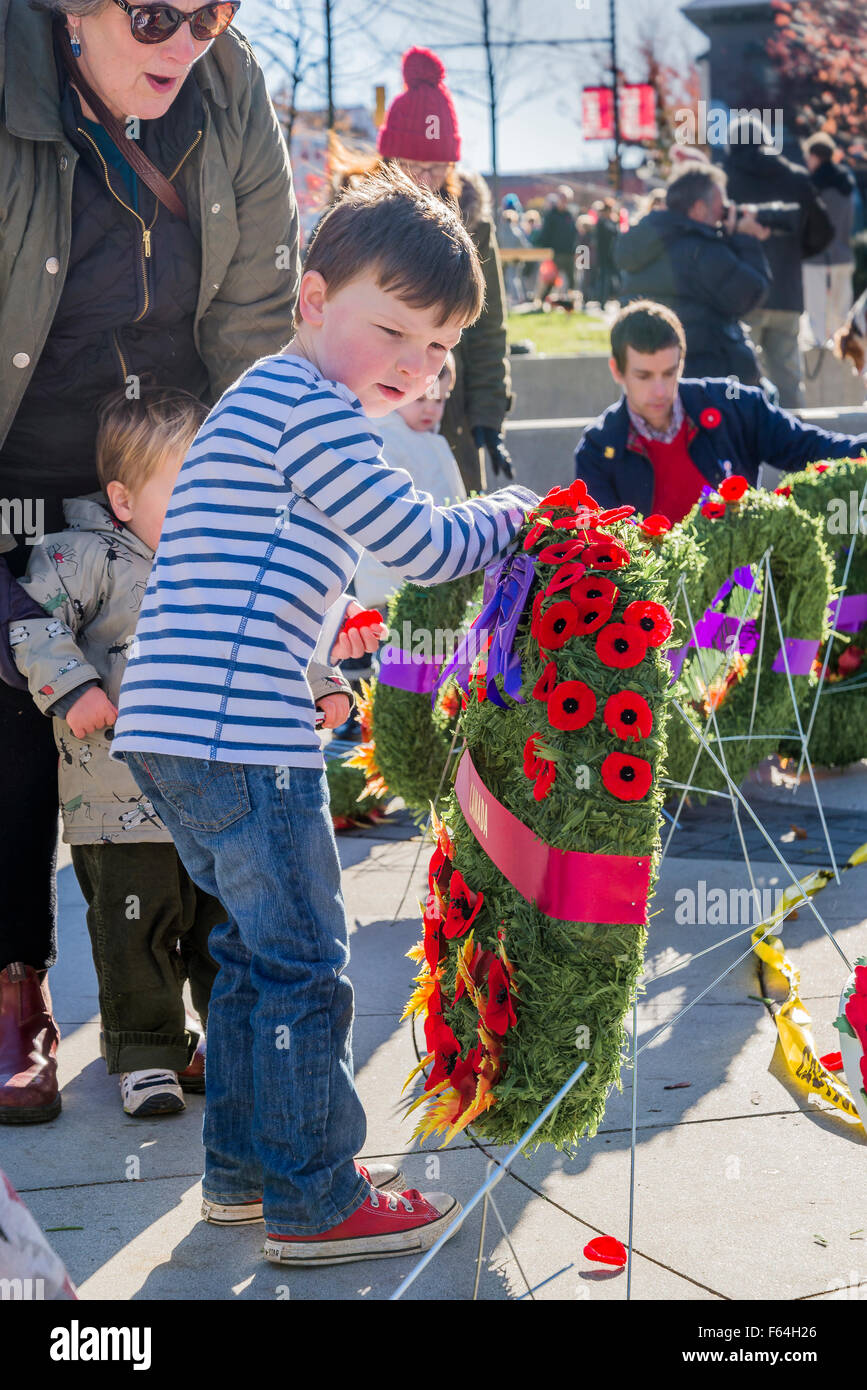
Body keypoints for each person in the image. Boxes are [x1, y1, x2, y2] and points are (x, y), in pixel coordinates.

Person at [110, 169, 538, 1265]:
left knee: (258, 956)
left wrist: (324, 627)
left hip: (178, 726)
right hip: (238, 734)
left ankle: (247, 1175)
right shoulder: (310, 404)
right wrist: (517, 512)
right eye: (392, 328)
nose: (414, 364)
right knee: (307, 961)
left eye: (438, 348)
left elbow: (253, 564)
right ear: (311, 299)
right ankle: (318, 1195)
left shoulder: (265, 399)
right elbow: (425, 544)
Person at [0, 0, 301, 1125]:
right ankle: (12, 983)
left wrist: (247, 515)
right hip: (14, 462)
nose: (188, 43)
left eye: (213, 12)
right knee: (13, 702)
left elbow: (257, 322)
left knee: (202, 701)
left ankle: (226, 988)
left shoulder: (230, 88)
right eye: (157, 15)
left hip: (166, 467)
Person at [9, 387, 358, 1119]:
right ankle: (144, 1052)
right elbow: (34, 629)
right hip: (115, 798)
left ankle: (227, 1048)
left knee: (217, 928)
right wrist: (74, 688)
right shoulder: (81, 559)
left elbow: (278, 632)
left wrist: (322, 685)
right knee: (133, 929)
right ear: (124, 498)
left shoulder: (228, 562)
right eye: (187, 490)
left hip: (213, 794)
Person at [329, 46, 514, 495]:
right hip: (371, 395)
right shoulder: (360, 220)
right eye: (413, 165)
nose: (425, 178)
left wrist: (489, 416)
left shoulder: (472, 224)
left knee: (456, 521)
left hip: (446, 406)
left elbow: (489, 328)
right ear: (390, 158)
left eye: (437, 167)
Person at [574, 299, 867, 517]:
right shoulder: (598, 447)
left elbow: (813, 449)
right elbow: (607, 547)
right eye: (644, 376)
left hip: (744, 587)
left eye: (669, 372)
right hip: (654, 597)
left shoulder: (736, 404)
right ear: (617, 370)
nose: (660, 390)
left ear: (682, 362)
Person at [615, 162, 772, 384]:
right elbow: (750, 294)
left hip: (658, 377)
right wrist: (746, 239)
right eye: (721, 206)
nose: (725, 213)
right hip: (711, 381)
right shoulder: (703, 249)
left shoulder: (645, 242)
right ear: (698, 208)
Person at [726, 114, 834, 407]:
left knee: (741, 380)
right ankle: (794, 448)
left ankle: (747, 448)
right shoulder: (796, 178)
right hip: (787, 292)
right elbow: (824, 231)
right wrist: (797, 252)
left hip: (741, 295)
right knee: (787, 377)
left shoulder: (723, 180)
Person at [353, 352, 466, 615]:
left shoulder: (433, 443)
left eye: (439, 400)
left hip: (433, 586)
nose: (431, 408)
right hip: (392, 591)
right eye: (422, 399)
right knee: (399, 651)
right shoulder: (385, 441)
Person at [802, 132, 856, 349]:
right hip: (843, 256)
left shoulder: (811, 185)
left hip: (816, 258)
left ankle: (820, 361)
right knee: (841, 318)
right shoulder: (848, 184)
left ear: (814, 156)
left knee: (816, 317)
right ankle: (842, 360)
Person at [538, 185, 579, 297]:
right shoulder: (551, 215)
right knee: (551, 279)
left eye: (566, 199)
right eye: (562, 198)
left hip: (569, 253)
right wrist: (547, 252)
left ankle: (571, 302)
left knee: (572, 280)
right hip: (555, 253)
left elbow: (574, 234)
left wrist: (575, 250)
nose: (564, 201)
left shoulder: (570, 215)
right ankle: (542, 301)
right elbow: (545, 234)